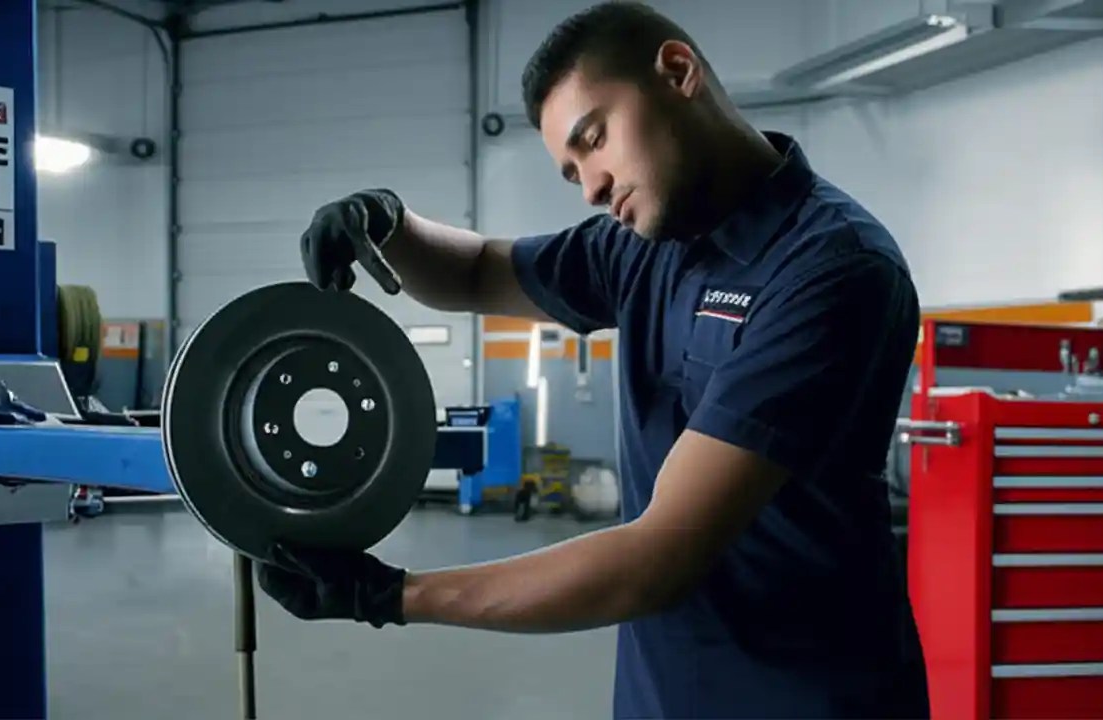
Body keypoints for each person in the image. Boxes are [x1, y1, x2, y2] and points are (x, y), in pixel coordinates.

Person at [260, 2, 929, 717]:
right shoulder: (644, 246)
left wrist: (392, 595)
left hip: (805, 695)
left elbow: (656, 558)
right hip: (664, 693)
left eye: (594, 139)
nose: (591, 187)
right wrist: (387, 223)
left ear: (677, 72)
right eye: (571, 171)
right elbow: (478, 270)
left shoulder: (831, 268)